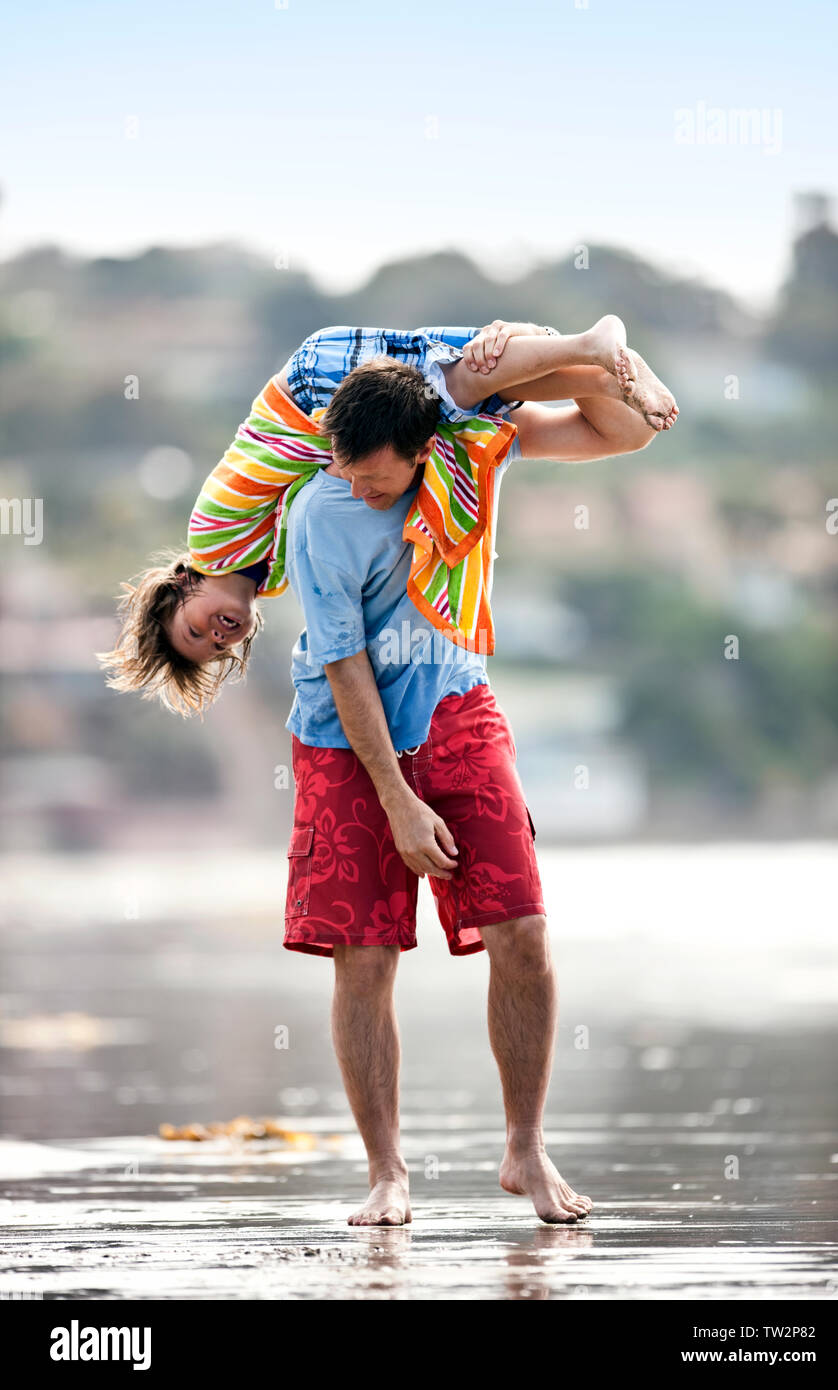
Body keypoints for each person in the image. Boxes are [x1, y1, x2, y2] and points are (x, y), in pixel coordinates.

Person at [99, 315, 677, 1225]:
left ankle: (525, 1149)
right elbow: (343, 663)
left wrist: (601, 367)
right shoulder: (317, 514)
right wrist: (399, 801)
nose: (355, 482)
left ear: (416, 453)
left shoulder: (467, 453)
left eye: (370, 470)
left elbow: (623, 431)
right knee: (363, 960)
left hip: (458, 711)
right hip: (344, 743)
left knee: (522, 934)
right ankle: (387, 1174)